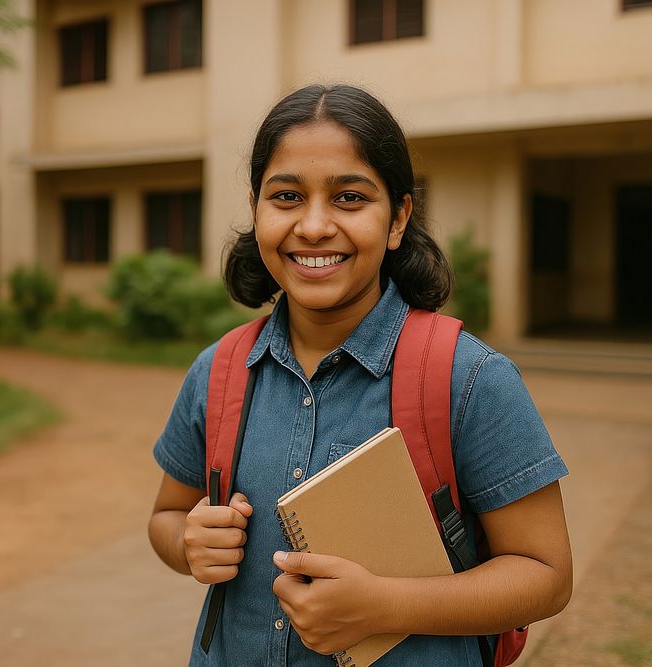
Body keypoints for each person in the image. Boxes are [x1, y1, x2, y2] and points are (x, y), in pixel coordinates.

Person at [148, 83, 572, 666]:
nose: (313, 226)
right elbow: (167, 517)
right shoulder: (217, 372)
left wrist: (385, 606)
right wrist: (189, 543)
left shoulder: (469, 379)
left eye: (349, 197)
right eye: (287, 196)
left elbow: (546, 575)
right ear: (255, 209)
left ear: (398, 218)